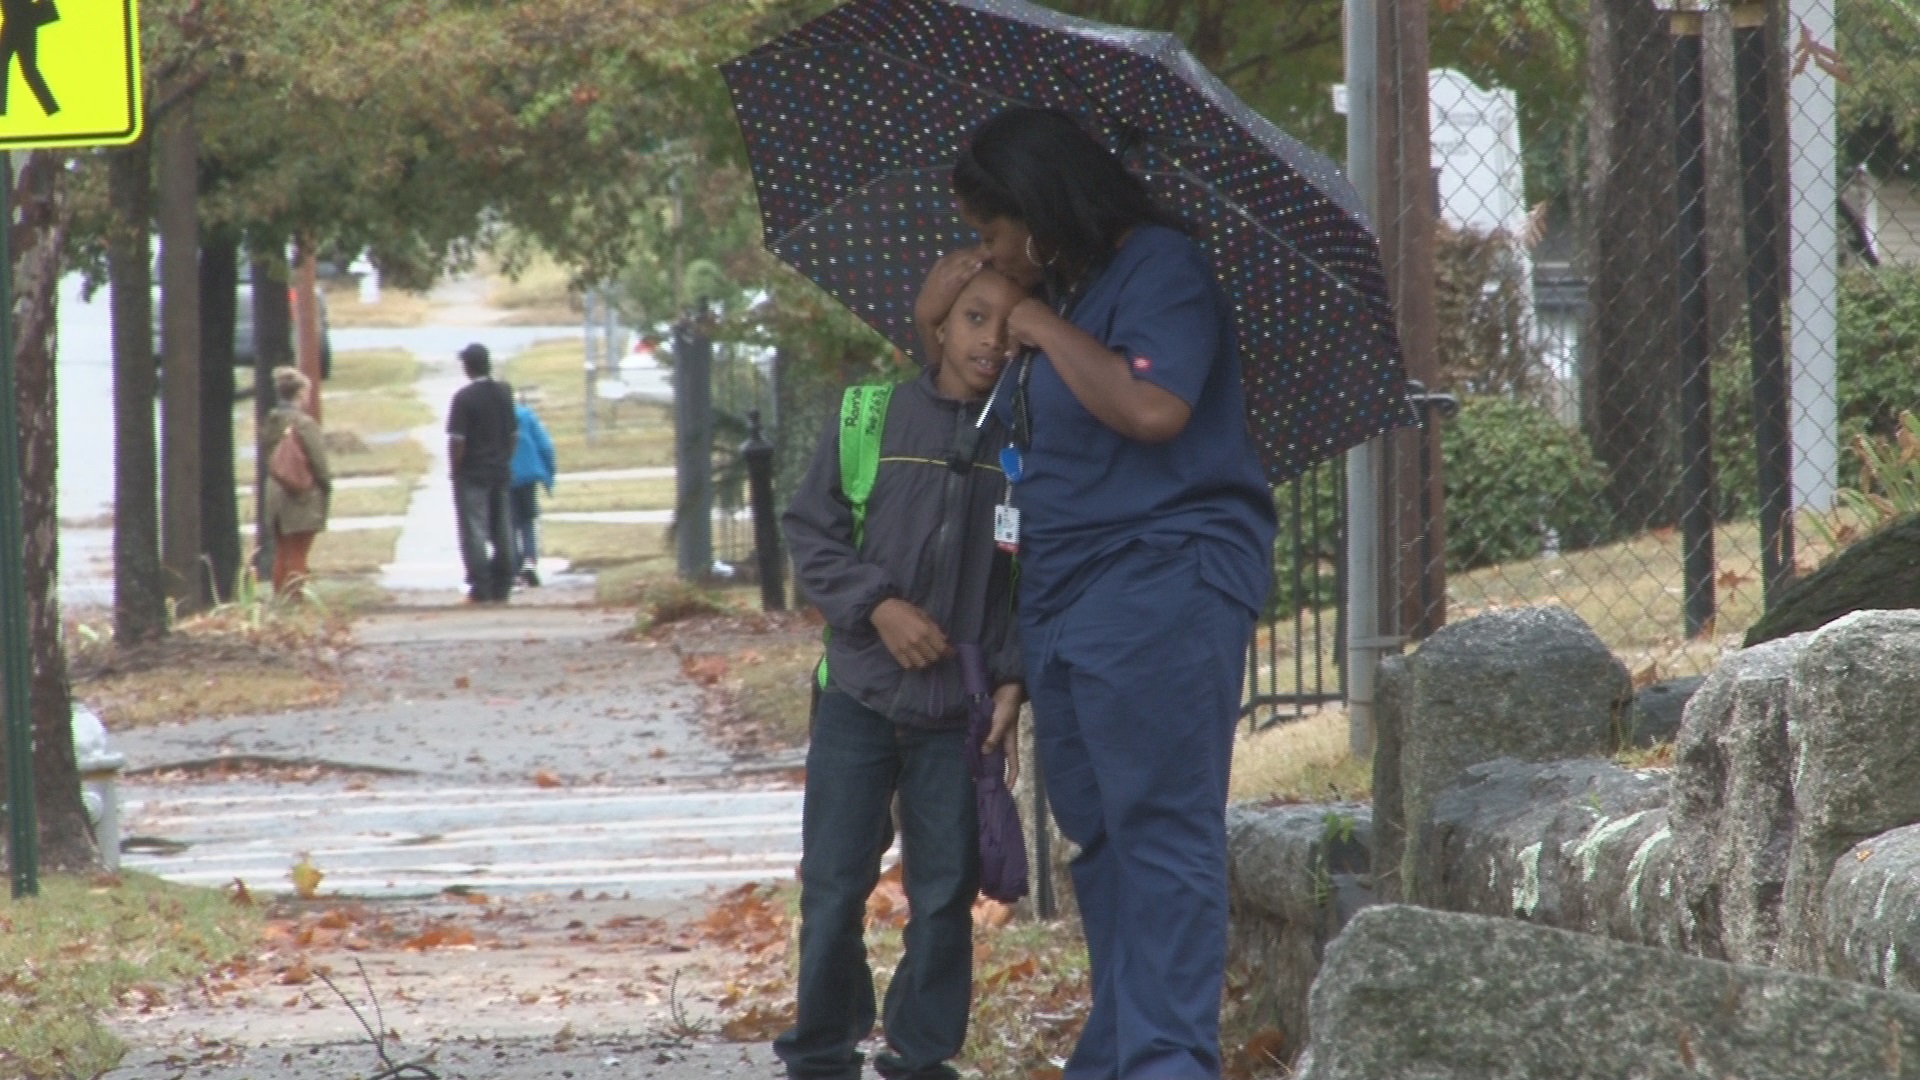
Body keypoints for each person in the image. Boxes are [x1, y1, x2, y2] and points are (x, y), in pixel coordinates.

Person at [915, 107, 1278, 1080]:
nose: (985, 255)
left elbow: (1154, 407)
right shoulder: (1069, 295)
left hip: (1163, 579)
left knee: (1160, 830)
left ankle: (1166, 1060)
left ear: (1036, 217)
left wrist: (1035, 322)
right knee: (1102, 834)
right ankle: (1122, 1050)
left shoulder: (1159, 270)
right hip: (1068, 595)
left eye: (991, 235)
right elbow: (989, 455)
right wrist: (945, 327)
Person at [777, 269, 1031, 1080]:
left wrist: (1011, 680)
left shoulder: (1030, 441)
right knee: (833, 881)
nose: (990, 339)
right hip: (857, 690)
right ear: (939, 325)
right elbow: (811, 532)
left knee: (946, 892)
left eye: (1008, 324)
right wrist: (875, 605)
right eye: (974, 319)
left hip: (955, 713)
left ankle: (922, 1055)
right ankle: (821, 1046)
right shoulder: (869, 416)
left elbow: (1037, 577)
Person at [447, 343, 518, 603]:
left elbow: (457, 440)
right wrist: (504, 460)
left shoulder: (464, 398)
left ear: (467, 366)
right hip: (499, 470)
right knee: (503, 528)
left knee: (474, 530)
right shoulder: (503, 394)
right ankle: (504, 582)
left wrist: (455, 470)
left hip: (472, 473)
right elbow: (513, 436)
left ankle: (481, 584)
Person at [260, 366, 332, 595]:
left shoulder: (272, 421)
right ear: (300, 393)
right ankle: (296, 600)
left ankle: (280, 598)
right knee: (299, 552)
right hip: (300, 495)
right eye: (307, 392)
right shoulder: (304, 424)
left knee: (282, 551)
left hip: (275, 491)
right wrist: (325, 486)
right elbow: (319, 462)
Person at [509, 394, 557, 588]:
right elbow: (545, 446)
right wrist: (548, 475)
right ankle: (530, 560)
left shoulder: (493, 418)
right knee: (527, 519)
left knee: (508, 523)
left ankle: (514, 564)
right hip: (528, 474)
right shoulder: (527, 415)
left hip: (504, 476)